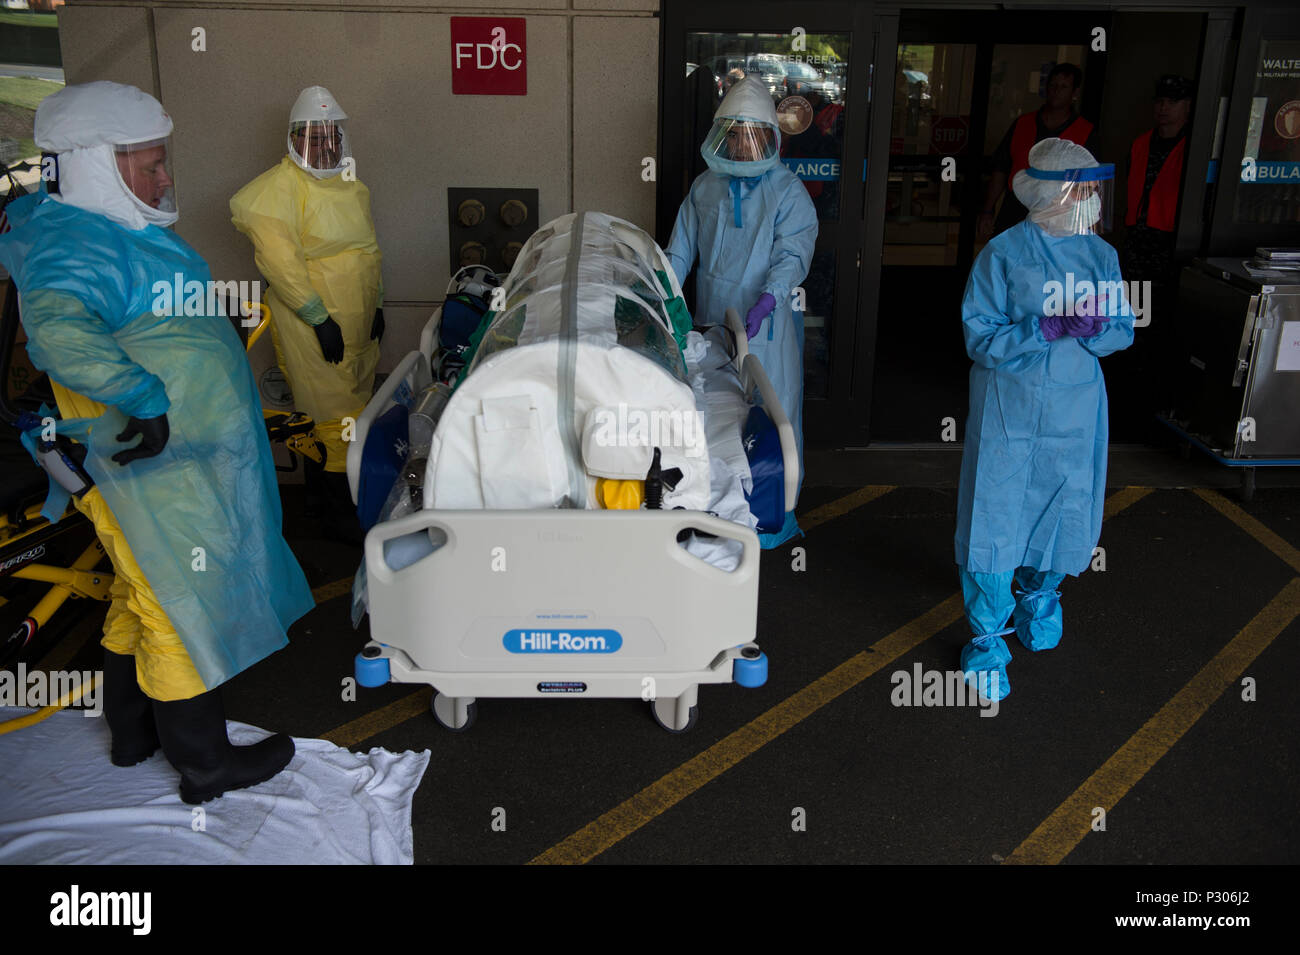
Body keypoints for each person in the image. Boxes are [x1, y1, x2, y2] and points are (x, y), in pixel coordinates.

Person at [0, 81, 314, 802]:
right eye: (147, 163)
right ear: (94, 167)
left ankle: (132, 732)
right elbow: (60, 335)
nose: (166, 175)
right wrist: (144, 396)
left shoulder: (106, 231)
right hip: (147, 465)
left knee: (141, 590)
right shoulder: (69, 247)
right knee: (178, 605)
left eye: (161, 159)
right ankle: (204, 763)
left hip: (170, 466)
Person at [955, 138, 1135, 701]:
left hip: (1074, 410)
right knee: (995, 514)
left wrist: (1096, 329)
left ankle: (1040, 594)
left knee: (1064, 504)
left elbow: (1123, 329)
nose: (1091, 199)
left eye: (1092, 189)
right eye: (1081, 189)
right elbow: (979, 336)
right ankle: (987, 638)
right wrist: (1044, 329)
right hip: (1010, 403)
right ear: (1053, 193)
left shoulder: (1101, 256)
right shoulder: (1003, 253)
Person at [665, 75, 818, 547]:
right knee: (722, 415)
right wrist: (664, 296)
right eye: (733, 133)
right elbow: (679, 252)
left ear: (771, 137)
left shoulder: (787, 192)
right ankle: (724, 506)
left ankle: (775, 511)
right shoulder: (706, 187)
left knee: (774, 410)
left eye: (752, 135)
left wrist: (770, 298)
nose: (741, 144)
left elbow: (791, 254)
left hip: (767, 324)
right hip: (716, 322)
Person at [230, 86, 384, 544]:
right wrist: (318, 318)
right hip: (314, 326)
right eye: (313, 137)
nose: (324, 145)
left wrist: (377, 305)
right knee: (334, 417)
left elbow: (370, 251)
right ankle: (339, 518)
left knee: (353, 408)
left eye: (331, 135)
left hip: (356, 323)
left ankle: (321, 501)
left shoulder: (351, 187)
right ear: (294, 140)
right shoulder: (276, 191)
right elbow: (281, 264)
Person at [978, 64, 1098, 240]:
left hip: (1058, 216)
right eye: (1053, 85)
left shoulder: (1086, 132)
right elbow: (1001, 169)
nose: (1057, 91)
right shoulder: (1023, 124)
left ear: (1075, 93)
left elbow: (1090, 184)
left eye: (1064, 86)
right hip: (1015, 208)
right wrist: (988, 210)